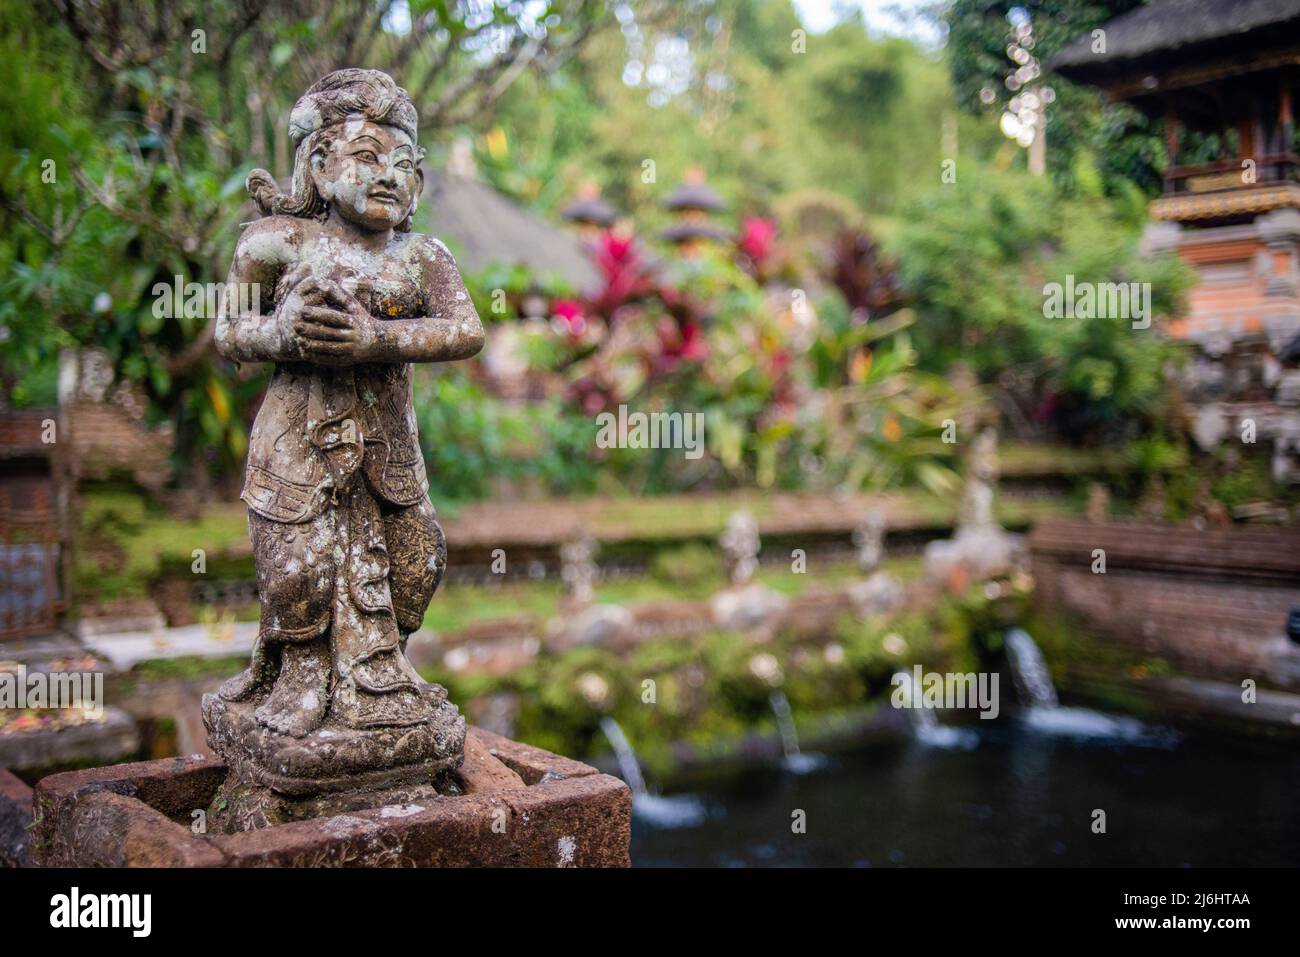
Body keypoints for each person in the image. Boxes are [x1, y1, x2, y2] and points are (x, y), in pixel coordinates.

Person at [214, 69, 483, 737]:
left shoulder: (423, 256)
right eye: (368, 158)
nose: (389, 175)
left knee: (419, 560)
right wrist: (279, 331)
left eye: (403, 164)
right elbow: (227, 332)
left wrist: (374, 338)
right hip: (298, 440)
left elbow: (466, 329)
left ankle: (386, 666)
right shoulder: (274, 242)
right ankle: (305, 673)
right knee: (299, 573)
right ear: (322, 166)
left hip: (388, 444)